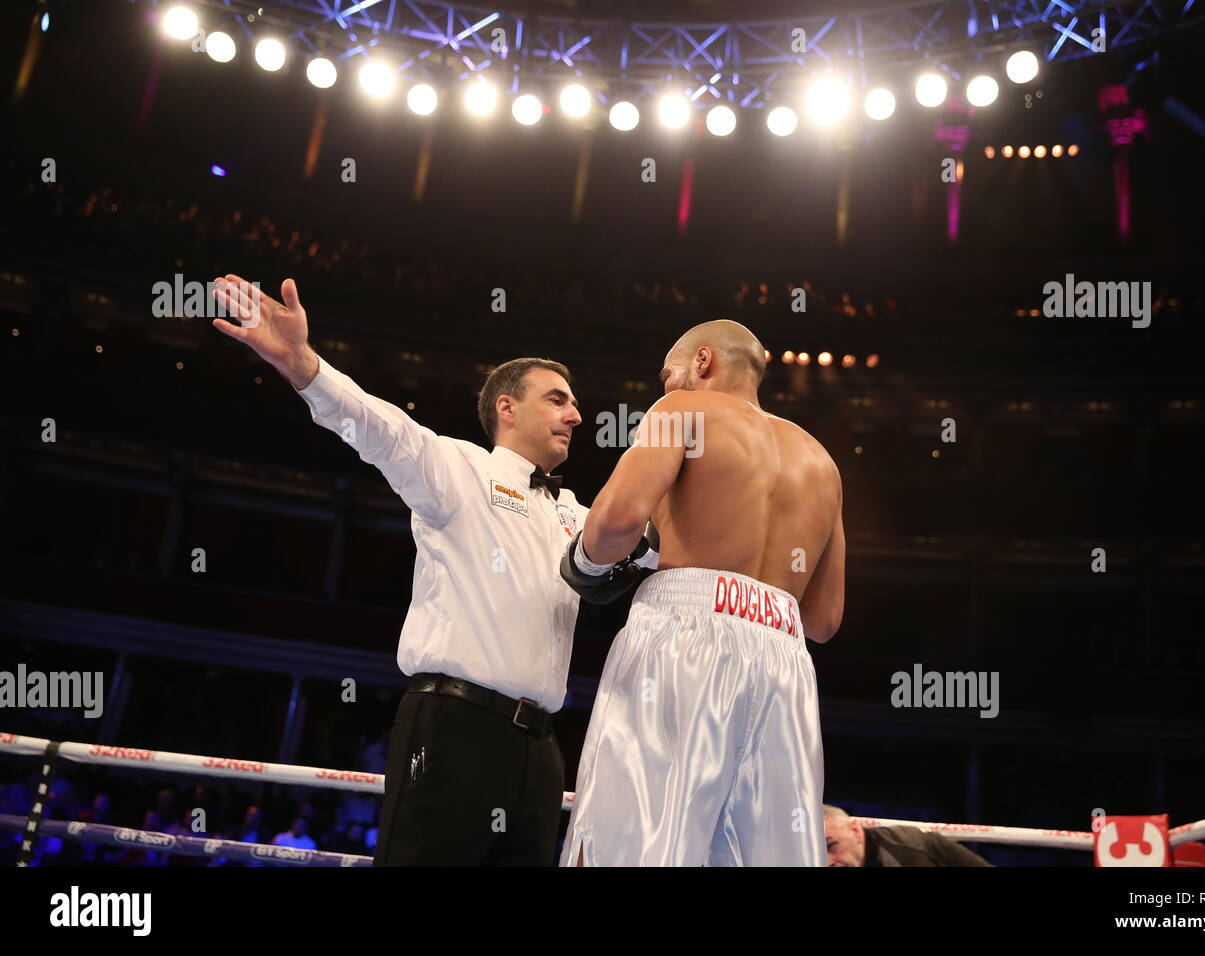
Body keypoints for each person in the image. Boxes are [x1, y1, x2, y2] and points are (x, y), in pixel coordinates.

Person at [211, 274, 617, 866]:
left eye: (575, 402)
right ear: (507, 406)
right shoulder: (459, 469)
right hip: (455, 725)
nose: (576, 415)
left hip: (541, 745)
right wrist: (303, 364)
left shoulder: (576, 514)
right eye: (558, 398)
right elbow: (379, 428)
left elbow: (651, 549)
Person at [558, 319, 845, 866]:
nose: (666, 388)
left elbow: (615, 522)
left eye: (670, 375)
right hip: (784, 658)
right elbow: (825, 620)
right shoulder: (823, 462)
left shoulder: (680, 411)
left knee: (635, 840)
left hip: (684, 636)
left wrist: (585, 562)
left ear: (703, 361)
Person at [823, 805, 994, 867]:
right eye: (819, 854)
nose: (828, 862)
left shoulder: (906, 852)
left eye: (831, 845)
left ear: (855, 831)